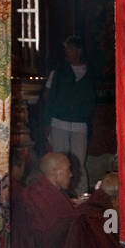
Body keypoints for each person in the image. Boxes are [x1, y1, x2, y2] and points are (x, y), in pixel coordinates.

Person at [10, 152, 78, 248]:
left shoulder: (42, 190)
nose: (71, 174)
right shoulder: (40, 197)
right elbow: (54, 237)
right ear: (57, 173)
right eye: (68, 169)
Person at [43, 35, 96, 192]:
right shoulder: (58, 72)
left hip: (80, 124)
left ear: (79, 51)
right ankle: (60, 197)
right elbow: (47, 95)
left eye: (70, 49)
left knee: (79, 162)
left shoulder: (89, 73)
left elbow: (91, 100)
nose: (67, 52)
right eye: (66, 49)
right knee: (59, 161)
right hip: (59, 122)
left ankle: (82, 197)